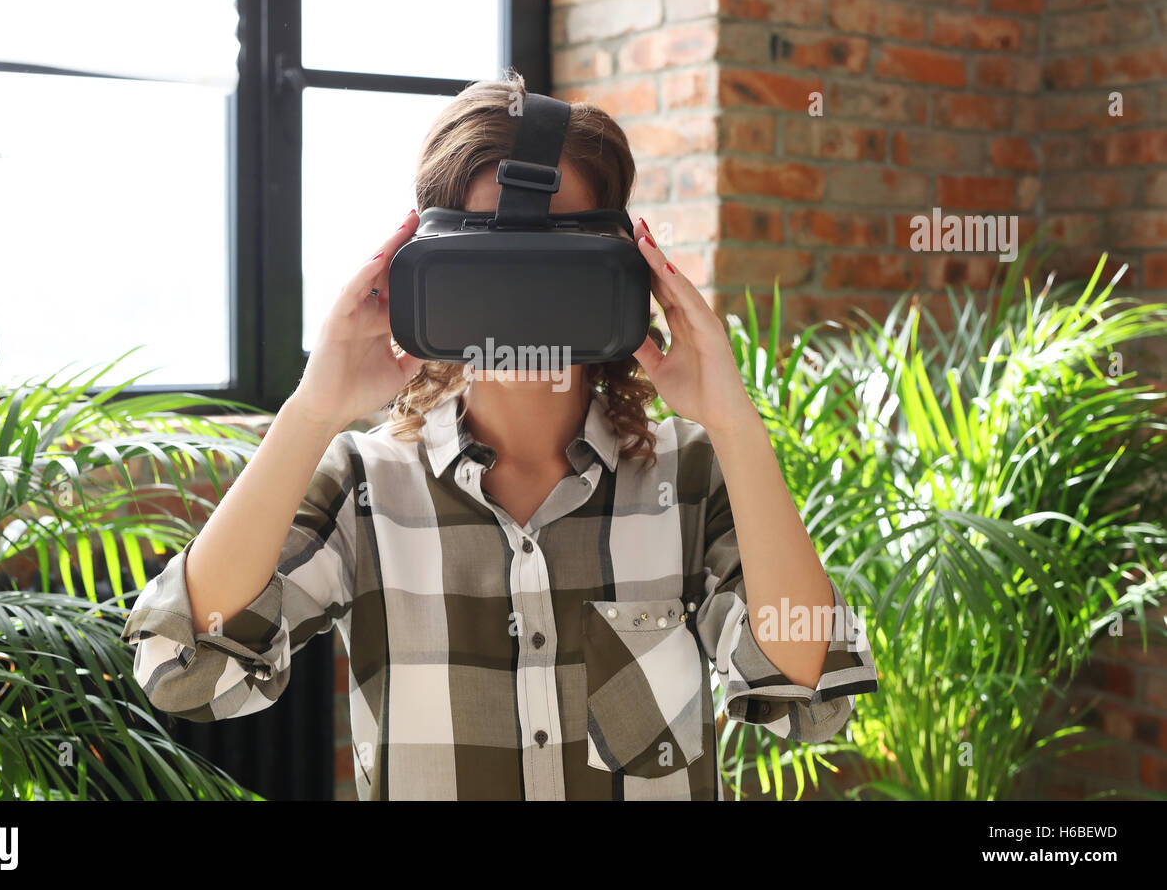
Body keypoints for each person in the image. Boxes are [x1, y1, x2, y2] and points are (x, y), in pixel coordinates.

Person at [120, 72, 878, 800]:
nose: (523, 302)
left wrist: (734, 421)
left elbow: (808, 689)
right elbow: (186, 666)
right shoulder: (365, 486)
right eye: (490, 265)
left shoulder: (691, 475)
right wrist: (313, 409)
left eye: (557, 263)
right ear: (428, 277)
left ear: (623, 273)